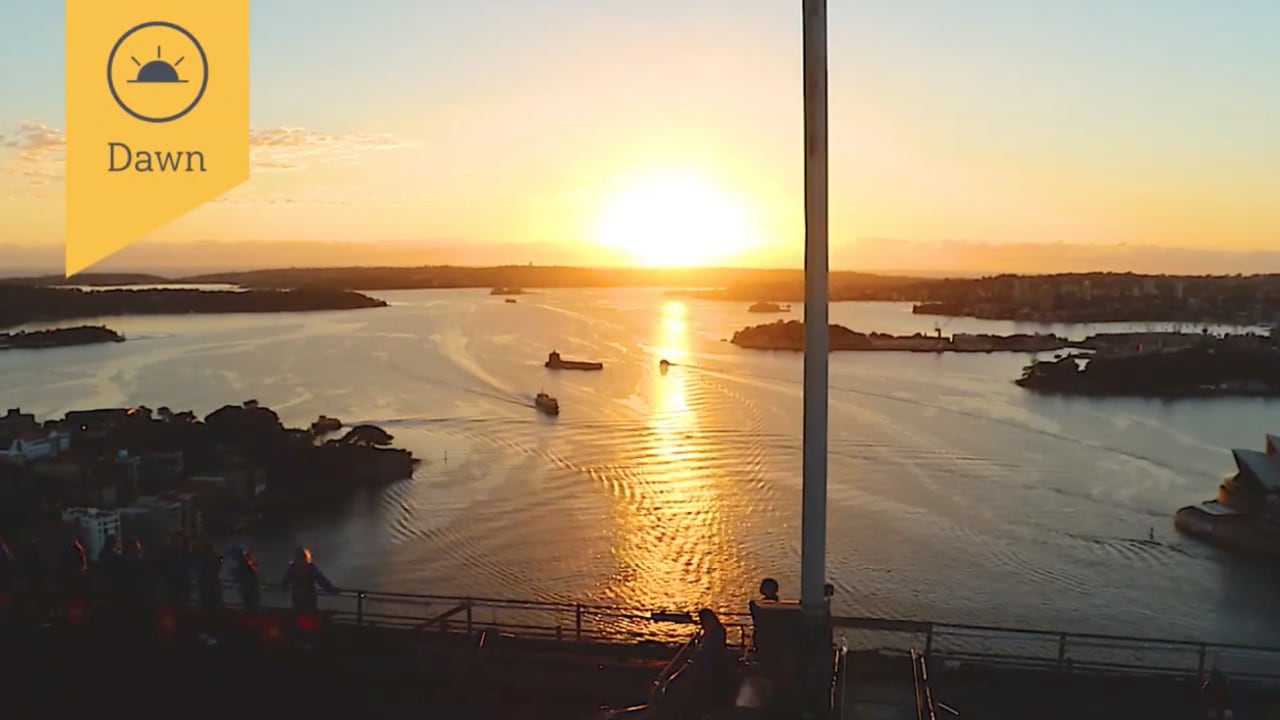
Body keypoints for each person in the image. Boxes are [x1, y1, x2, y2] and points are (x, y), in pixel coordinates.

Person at [280, 546, 338, 614]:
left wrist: (284, 587)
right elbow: (321, 580)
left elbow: (285, 581)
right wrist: (332, 590)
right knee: (309, 614)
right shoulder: (310, 567)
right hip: (309, 596)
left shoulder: (293, 568)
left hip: (297, 596)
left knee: (298, 614)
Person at [227, 546, 261, 612]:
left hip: (250, 591)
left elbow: (245, 575)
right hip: (251, 591)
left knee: (250, 602)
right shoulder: (248, 562)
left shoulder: (244, 565)